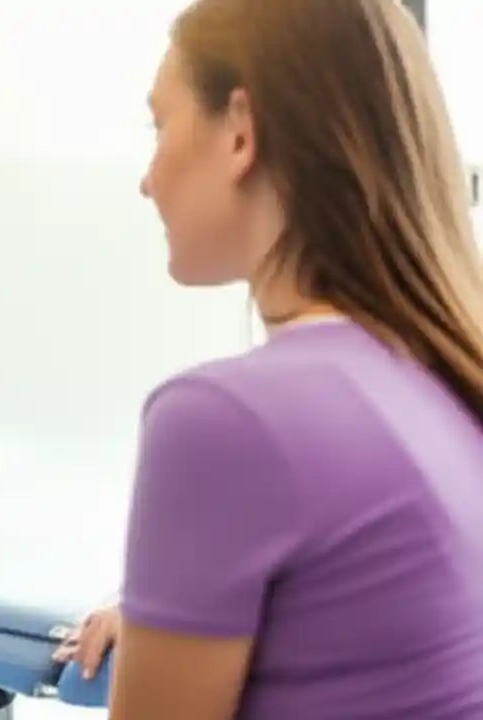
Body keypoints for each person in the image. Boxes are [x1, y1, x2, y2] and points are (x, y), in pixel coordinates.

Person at [68, 0, 483, 718]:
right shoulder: (440, 381)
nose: (147, 178)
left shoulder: (223, 420)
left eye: (159, 125)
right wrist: (171, 615)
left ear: (239, 130)